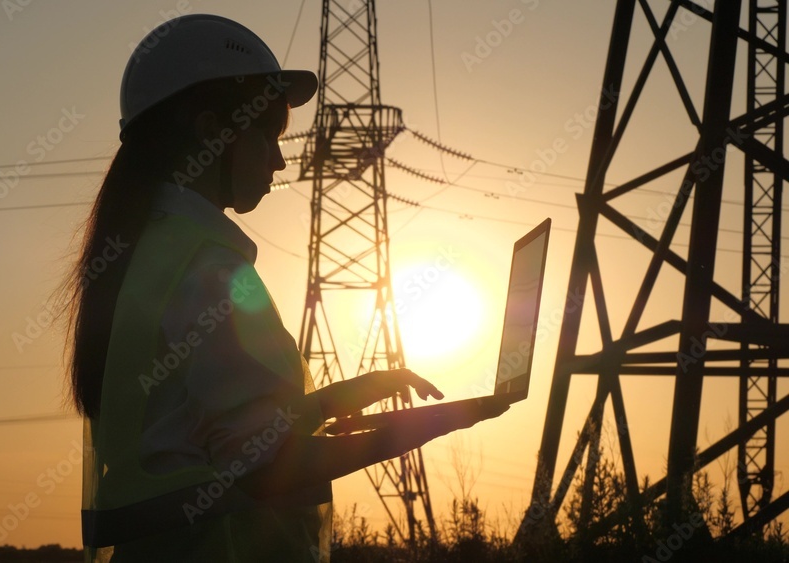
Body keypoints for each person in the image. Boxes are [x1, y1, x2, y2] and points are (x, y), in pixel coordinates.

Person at [58, 13, 507, 562]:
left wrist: (345, 396)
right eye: (266, 136)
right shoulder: (210, 270)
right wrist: (433, 423)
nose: (278, 159)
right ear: (209, 130)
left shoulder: (145, 256)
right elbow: (263, 467)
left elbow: (218, 435)